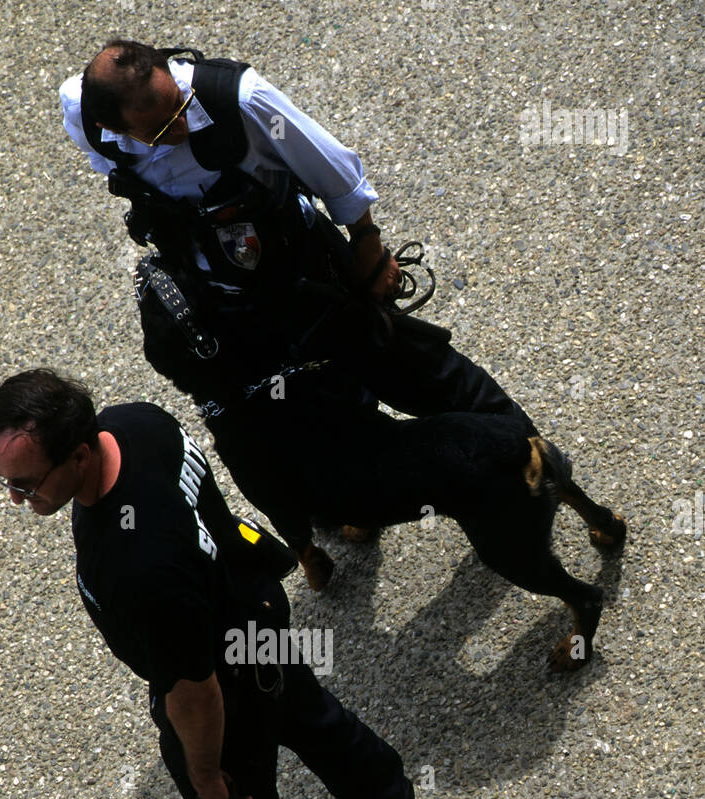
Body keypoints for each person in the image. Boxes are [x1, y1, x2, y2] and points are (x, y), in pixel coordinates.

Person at [0, 368, 446, 799]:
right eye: (4, 479)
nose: (15, 496)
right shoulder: (136, 423)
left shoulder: (137, 567)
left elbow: (194, 692)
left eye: (25, 483)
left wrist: (208, 783)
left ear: (80, 455)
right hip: (254, 614)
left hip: (220, 683)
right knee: (314, 718)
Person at [58, 40, 538, 575]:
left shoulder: (239, 99)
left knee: (415, 369)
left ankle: (526, 453)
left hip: (313, 276)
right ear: (119, 129)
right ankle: (351, 503)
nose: (182, 125)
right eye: (161, 126)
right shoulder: (86, 116)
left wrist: (370, 252)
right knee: (311, 412)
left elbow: (339, 174)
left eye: (177, 107)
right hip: (233, 307)